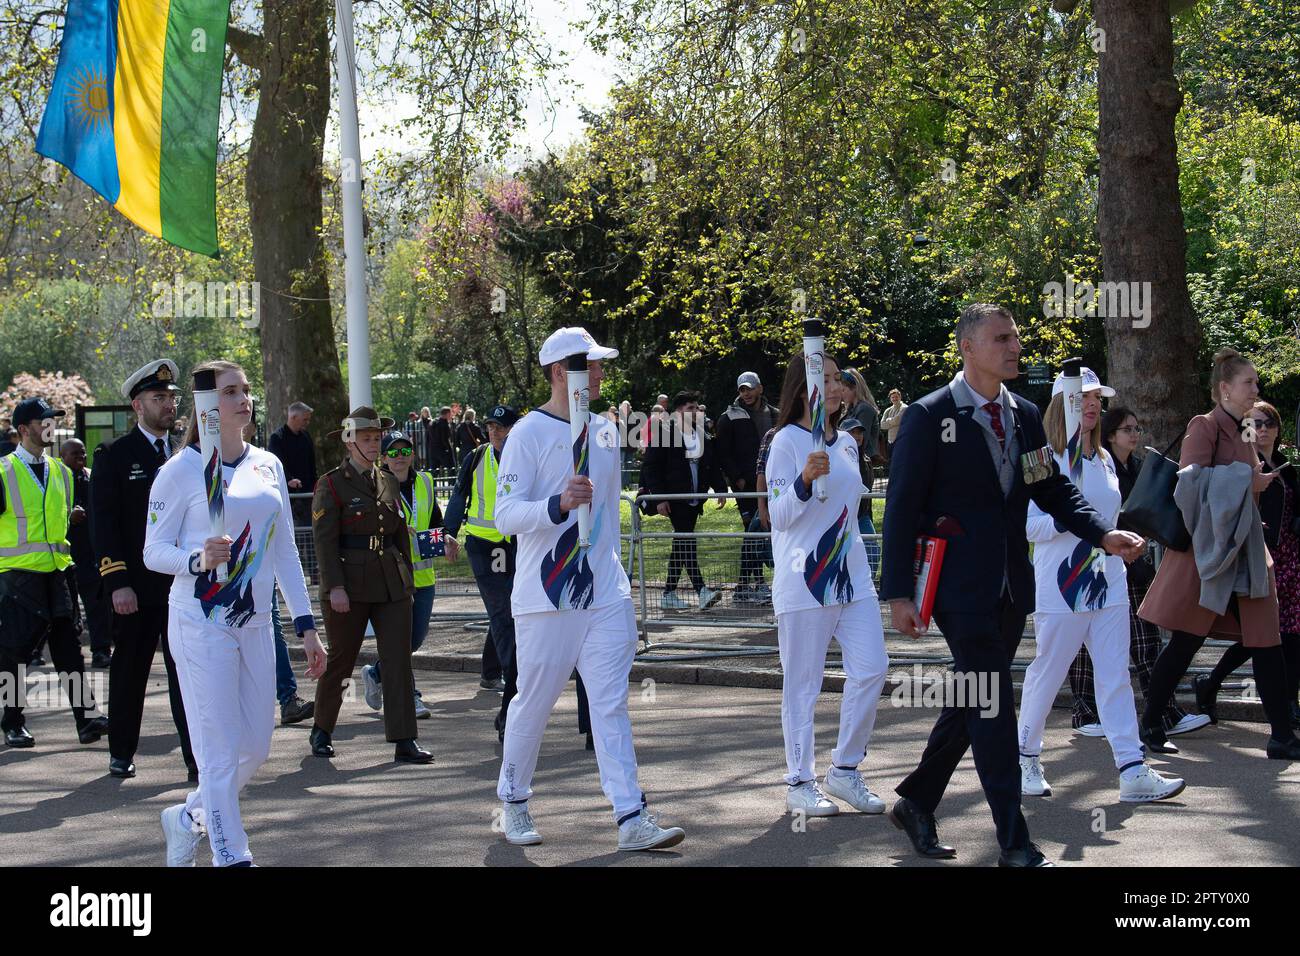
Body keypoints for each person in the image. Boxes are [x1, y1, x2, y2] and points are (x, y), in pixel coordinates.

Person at [881, 304, 1143, 867]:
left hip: (1010, 588)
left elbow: (1052, 491)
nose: (1015, 347)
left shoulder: (1023, 415)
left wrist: (1102, 534)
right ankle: (1014, 842)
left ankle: (917, 800)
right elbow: (900, 507)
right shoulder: (929, 416)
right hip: (956, 589)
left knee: (973, 693)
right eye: (1001, 338)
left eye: (1016, 338)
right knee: (994, 704)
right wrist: (898, 594)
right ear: (967, 348)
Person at [493, 326, 685, 850]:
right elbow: (506, 515)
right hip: (547, 595)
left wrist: (615, 574)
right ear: (560, 373)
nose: (600, 373)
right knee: (534, 703)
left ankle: (631, 816)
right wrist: (557, 504)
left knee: (610, 704)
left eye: (600, 363)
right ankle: (513, 800)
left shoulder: (603, 430)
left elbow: (608, 516)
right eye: (590, 365)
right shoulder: (528, 434)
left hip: (603, 592)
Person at [144, 359, 325, 866]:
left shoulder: (268, 464)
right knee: (219, 750)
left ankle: (189, 818)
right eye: (230, 392)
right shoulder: (180, 472)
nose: (244, 399)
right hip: (200, 623)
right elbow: (152, 552)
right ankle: (230, 853)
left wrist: (306, 625)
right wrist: (196, 559)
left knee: (256, 748)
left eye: (245, 390)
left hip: (256, 622)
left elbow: (284, 550)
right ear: (206, 405)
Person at [1016, 369, 1184, 803]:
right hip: (1062, 585)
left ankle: (1132, 768)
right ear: (1062, 404)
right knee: (1048, 673)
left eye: (1097, 399)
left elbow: (1108, 518)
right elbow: (1028, 526)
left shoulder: (1105, 459)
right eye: (1082, 398)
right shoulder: (1041, 458)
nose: (1092, 405)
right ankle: (1025, 756)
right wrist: (1072, 522)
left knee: (1115, 677)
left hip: (1108, 582)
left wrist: (1123, 539)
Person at [1138, 350, 1300, 759]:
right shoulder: (1204, 426)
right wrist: (1247, 480)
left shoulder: (1244, 427)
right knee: (1186, 642)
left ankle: (1281, 736)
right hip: (1206, 555)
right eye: (1249, 382)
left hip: (1246, 551)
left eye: (1256, 382)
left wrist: (1255, 481)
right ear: (1225, 388)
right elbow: (1189, 487)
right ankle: (1151, 722)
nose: (1256, 389)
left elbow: (1240, 480)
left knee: (1267, 641)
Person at [765, 351, 890, 817]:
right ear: (805, 389)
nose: (837, 387)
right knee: (803, 685)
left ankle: (845, 769)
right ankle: (799, 781)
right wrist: (803, 480)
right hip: (803, 582)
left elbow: (850, 509)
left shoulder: (848, 444)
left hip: (852, 578)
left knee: (873, 668)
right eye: (829, 379)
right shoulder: (785, 441)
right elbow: (778, 515)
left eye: (839, 380)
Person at [1067, 407, 1205, 738]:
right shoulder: (1099, 466)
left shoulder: (1138, 467)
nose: (1134, 434)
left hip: (1133, 562)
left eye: (1136, 428)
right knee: (1084, 640)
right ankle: (1085, 713)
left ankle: (1162, 711)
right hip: (1097, 561)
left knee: (1145, 638)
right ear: (1111, 434)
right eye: (1127, 429)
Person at [88, 362, 196, 779]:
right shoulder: (114, 456)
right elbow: (105, 525)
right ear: (138, 405)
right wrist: (117, 582)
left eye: (172, 398)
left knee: (187, 673)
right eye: (159, 398)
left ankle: (196, 758)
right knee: (130, 672)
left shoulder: (187, 455)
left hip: (182, 584)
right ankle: (121, 751)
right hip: (136, 587)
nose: (169, 405)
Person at [307, 406, 431, 763]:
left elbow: (398, 534)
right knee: (342, 659)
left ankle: (405, 738)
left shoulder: (388, 480)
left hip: (390, 581)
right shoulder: (332, 483)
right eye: (367, 438)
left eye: (377, 438)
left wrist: (408, 581)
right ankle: (322, 728)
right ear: (350, 442)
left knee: (398, 659)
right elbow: (324, 542)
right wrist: (334, 588)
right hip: (350, 582)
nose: (375, 444)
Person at [0, 397, 110, 749]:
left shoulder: (62, 472)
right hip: (17, 577)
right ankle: (12, 722)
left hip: (59, 573)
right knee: (14, 654)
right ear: (23, 429)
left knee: (69, 650)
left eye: (53, 420)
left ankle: (86, 719)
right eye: (43, 421)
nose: (50, 426)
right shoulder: (3, 471)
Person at [1192, 399, 1300, 729]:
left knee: (1290, 635)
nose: (1263, 429)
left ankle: (1287, 703)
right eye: (1256, 423)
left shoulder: (1285, 467)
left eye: (1270, 423)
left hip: (1290, 559)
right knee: (1262, 635)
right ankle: (1212, 682)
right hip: (1258, 557)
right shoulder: (1243, 465)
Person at [360, 431, 460, 721]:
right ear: (384, 458)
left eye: (405, 451)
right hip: (392, 577)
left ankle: (376, 673)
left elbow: (435, 521)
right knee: (401, 639)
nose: (400, 457)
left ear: (413, 455)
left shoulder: (425, 482)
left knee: (415, 639)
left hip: (423, 578)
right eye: (393, 452)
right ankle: (410, 696)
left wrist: (446, 537)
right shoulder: (374, 484)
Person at [445, 403, 521, 741]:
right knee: (504, 614)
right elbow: (458, 496)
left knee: (508, 610)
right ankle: (513, 685)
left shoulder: (525, 457)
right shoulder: (476, 458)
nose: (494, 432)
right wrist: (448, 533)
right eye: (490, 427)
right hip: (484, 548)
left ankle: (491, 671)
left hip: (517, 546)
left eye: (500, 427)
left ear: (514, 429)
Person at [642, 391, 727, 611]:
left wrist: (720, 488)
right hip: (674, 499)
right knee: (686, 541)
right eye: (691, 408)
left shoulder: (702, 435)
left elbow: (712, 464)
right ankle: (701, 590)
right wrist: (660, 498)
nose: (696, 411)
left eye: (697, 407)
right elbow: (651, 467)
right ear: (678, 411)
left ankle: (669, 593)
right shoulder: (664, 433)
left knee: (681, 543)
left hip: (694, 500)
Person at [716, 372, 778, 604]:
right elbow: (723, 452)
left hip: (773, 483)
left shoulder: (775, 414)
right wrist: (737, 478)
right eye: (742, 389)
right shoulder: (729, 417)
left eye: (750, 388)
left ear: (760, 388)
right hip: (746, 486)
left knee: (761, 532)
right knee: (753, 531)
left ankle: (746, 585)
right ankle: (753, 583)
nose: (746, 393)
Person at [60, 439, 113, 669]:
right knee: (66, 610)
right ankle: (44, 653)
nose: (81, 457)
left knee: (97, 606)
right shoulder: (56, 480)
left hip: (90, 555)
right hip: (65, 556)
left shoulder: (92, 476)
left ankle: (101, 651)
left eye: (83, 453)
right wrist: (68, 517)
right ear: (63, 456)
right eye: (75, 454)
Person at [266, 401, 316, 526]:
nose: (307, 423)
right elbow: (275, 464)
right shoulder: (277, 438)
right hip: (287, 495)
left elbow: (312, 463)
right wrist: (289, 479)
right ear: (293, 417)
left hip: (307, 494)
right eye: (305, 420)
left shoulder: (306, 436)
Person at [429, 406, 456, 474]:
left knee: (434, 470)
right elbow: (445, 438)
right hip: (443, 450)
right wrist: (447, 448)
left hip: (433, 449)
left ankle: (433, 481)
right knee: (451, 468)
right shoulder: (444, 424)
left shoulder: (433, 423)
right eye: (450, 413)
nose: (451, 415)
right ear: (447, 414)